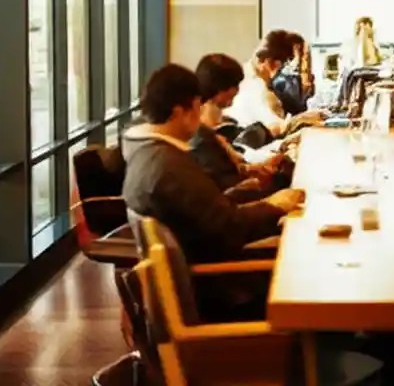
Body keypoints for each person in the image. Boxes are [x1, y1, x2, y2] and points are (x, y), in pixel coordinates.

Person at [121, 64, 305, 265]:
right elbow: (227, 228)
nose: (200, 114)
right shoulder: (170, 167)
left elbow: (204, 212)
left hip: (204, 257)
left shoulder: (144, 152)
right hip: (220, 273)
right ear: (180, 112)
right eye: (198, 106)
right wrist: (274, 206)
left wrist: (240, 193)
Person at [192, 54, 289, 203]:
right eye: (235, 85)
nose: (238, 91)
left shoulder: (209, 129)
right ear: (221, 88)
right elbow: (227, 184)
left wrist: (254, 168)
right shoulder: (202, 136)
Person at [226, 33, 323, 139]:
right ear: (270, 63)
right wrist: (304, 118)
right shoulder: (254, 86)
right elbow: (276, 127)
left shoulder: (254, 78)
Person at [271, 33, 314, 116]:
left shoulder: (299, 79)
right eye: (304, 54)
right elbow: (296, 111)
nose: (307, 60)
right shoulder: (282, 82)